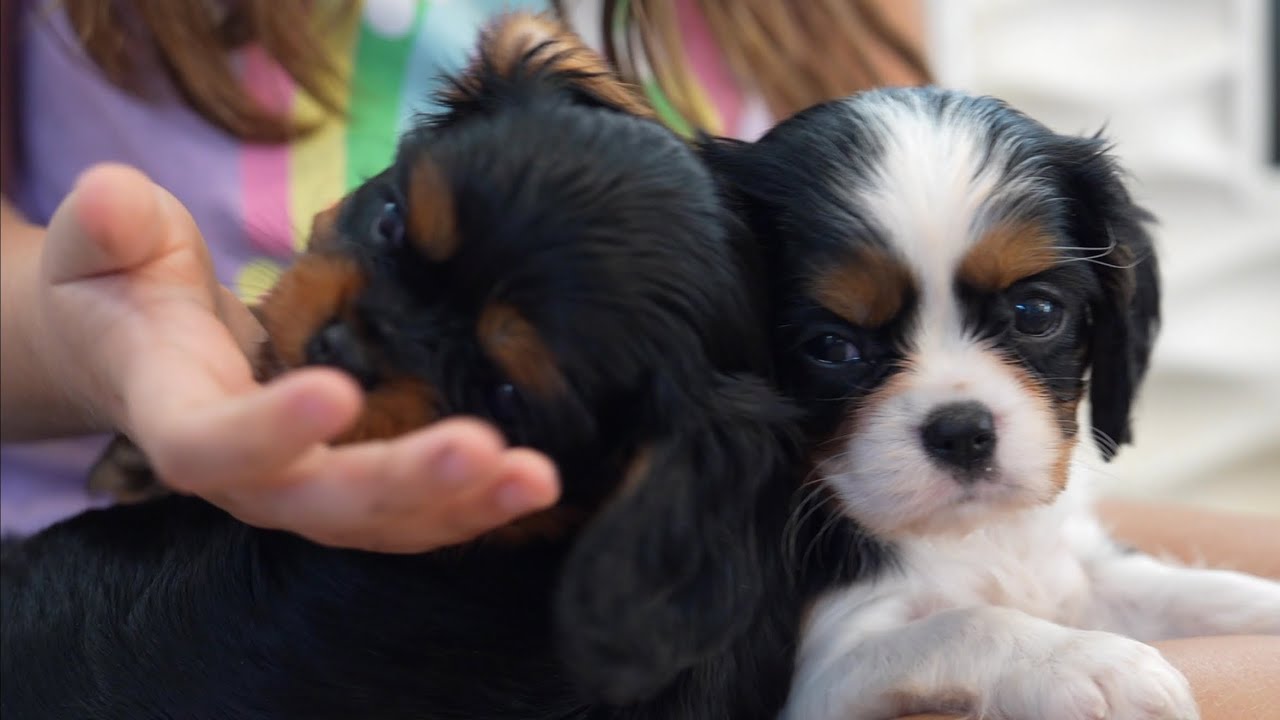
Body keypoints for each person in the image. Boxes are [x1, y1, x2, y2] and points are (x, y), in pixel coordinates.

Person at [1, 1, 1274, 712]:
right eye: (831, 338)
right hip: (170, 570)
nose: (960, 386)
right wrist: (102, 338)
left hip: (731, 525)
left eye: (1037, 321)